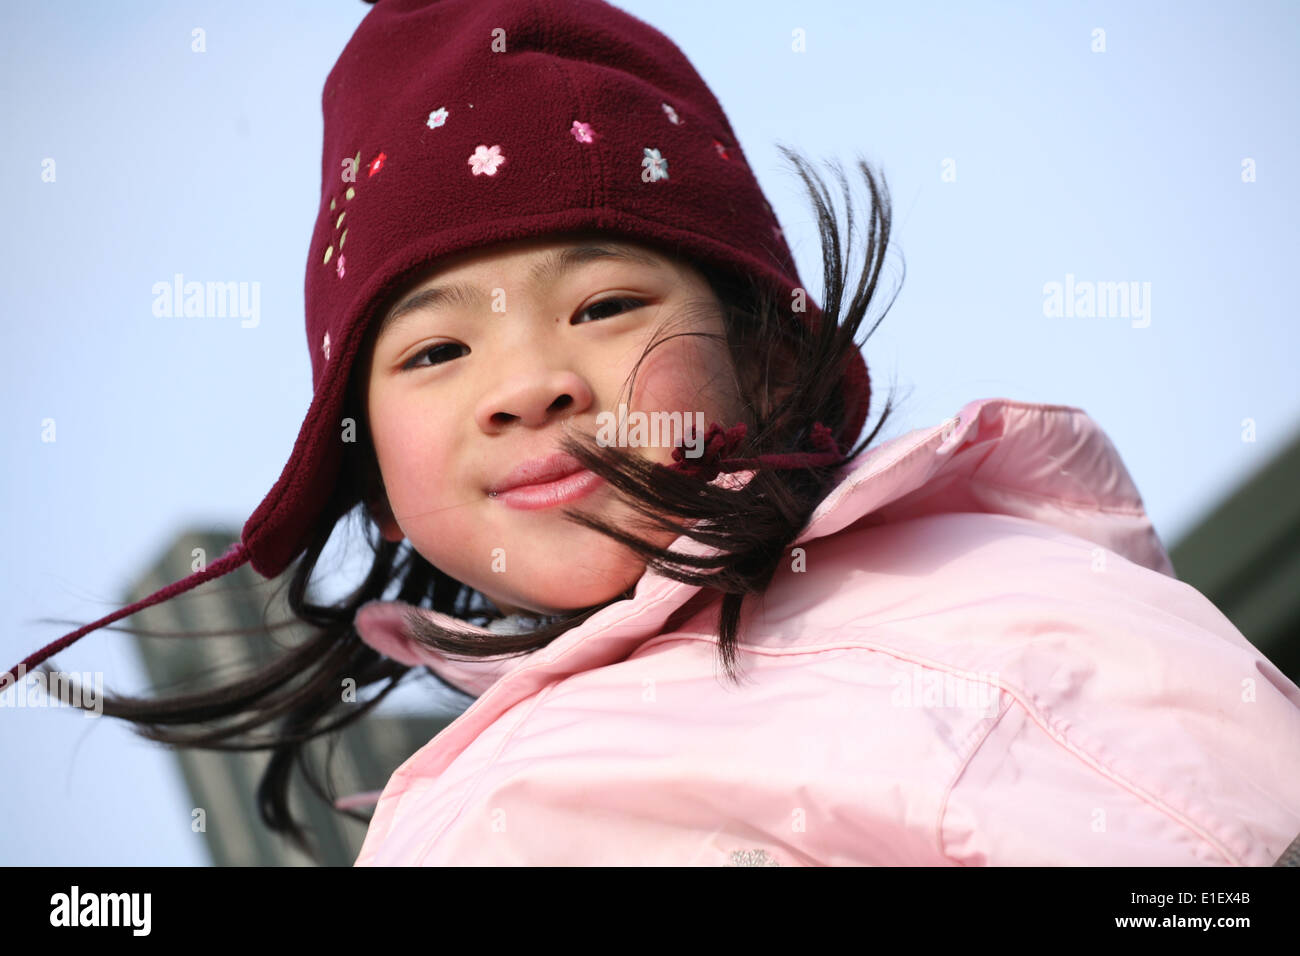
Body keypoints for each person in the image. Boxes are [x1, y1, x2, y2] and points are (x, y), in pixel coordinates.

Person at [12, 0, 1300, 866]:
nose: (525, 386)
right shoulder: (459, 794)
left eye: (608, 303)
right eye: (436, 350)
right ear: (377, 480)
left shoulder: (989, 605)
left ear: (771, 354)